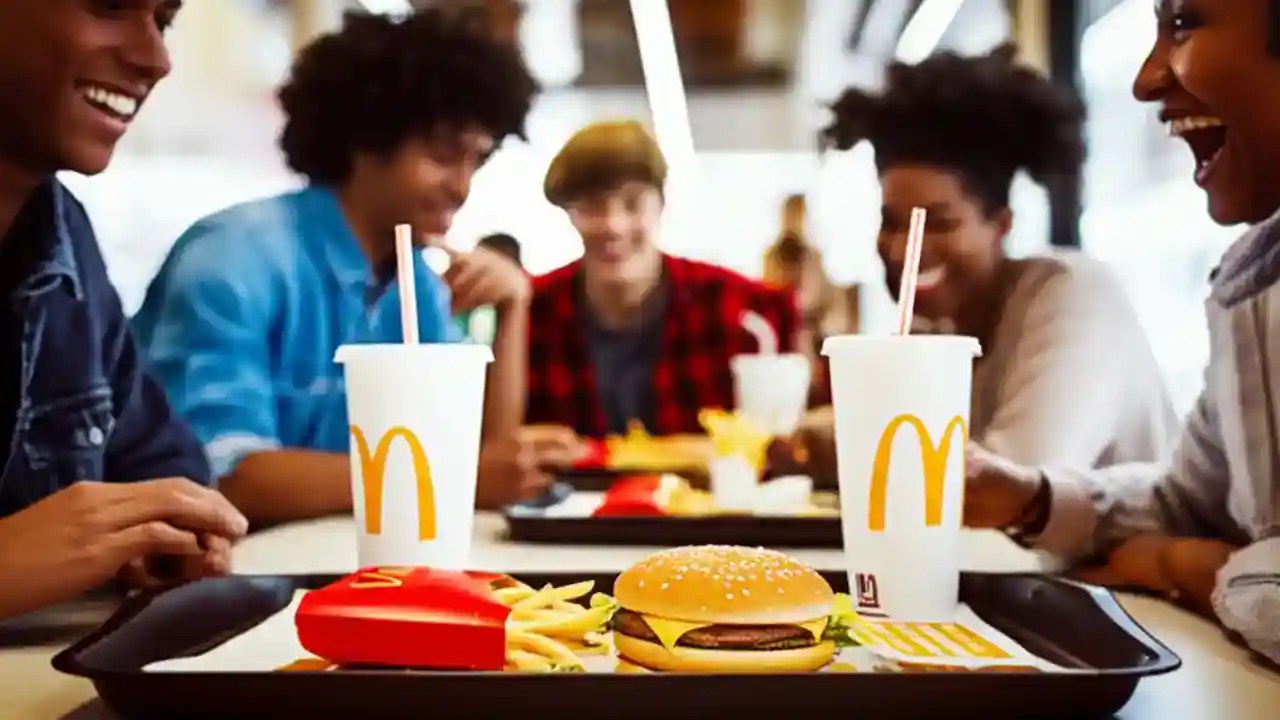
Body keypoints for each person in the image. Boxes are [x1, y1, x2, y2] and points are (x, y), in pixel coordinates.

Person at [134, 8, 561, 528]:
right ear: (368, 139)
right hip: (226, 568)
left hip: (340, 561)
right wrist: (452, 477)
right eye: (444, 154)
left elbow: (489, 465)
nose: (462, 186)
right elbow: (222, 477)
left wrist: (515, 306)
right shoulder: (236, 258)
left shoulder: (414, 287)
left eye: (478, 160)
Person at [968, 1, 1280, 665]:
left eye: (1182, 23)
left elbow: (1190, 540)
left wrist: (1181, 565)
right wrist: (1029, 499)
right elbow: (1184, 501)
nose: (1144, 80)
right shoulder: (1252, 290)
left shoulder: (1067, 292)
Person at [790, 46, 1179, 485]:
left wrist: (840, 448)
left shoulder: (1076, 298)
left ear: (1001, 224)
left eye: (939, 223)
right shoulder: (938, 330)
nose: (901, 250)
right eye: (890, 222)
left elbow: (1010, 481)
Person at [0, 0, 247, 619]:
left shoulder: (62, 234)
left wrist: (159, 538)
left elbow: (162, 467)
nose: (156, 59)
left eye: (163, 21)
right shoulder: (239, 254)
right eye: (111, 5)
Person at [526, 120, 802, 438]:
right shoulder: (534, 311)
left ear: (661, 204)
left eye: (632, 204)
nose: (613, 224)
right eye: (593, 206)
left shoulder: (744, 308)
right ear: (570, 213)